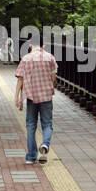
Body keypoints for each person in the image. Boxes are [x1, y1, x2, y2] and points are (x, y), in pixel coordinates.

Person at [15, 35, 58, 164]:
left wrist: (16, 96)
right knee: (47, 124)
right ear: (42, 45)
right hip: (46, 96)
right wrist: (51, 86)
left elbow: (20, 78)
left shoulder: (26, 59)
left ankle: (31, 156)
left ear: (30, 45)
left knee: (30, 125)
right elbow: (54, 78)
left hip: (31, 97)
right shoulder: (50, 57)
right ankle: (45, 144)